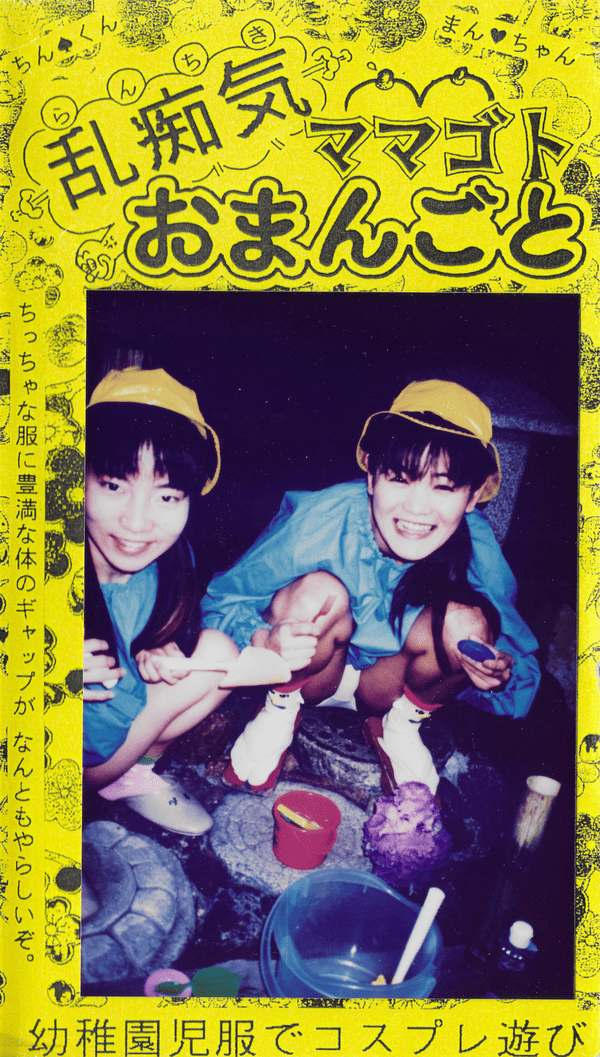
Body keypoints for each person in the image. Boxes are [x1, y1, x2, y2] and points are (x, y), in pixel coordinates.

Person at [202, 379, 540, 794]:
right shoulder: (322, 517)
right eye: (400, 478)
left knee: (469, 621)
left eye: (443, 486)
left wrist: (494, 672)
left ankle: (400, 729)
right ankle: (280, 707)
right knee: (319, 590)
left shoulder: (478, 547)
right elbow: (225, 599)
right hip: (311, 672)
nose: (417, 508)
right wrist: (264, 641)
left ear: (472, 497)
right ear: (372, 476)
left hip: (389, 690)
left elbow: (514, 658)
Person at [83, 367, 239, 834]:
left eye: (167, 496)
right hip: (39, 760)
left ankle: (133, 777)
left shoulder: (171, 562)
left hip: (114, 744)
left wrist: (157, 650)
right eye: (114, 485)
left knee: (220, 655)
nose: (137, 523)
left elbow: (154, 633)